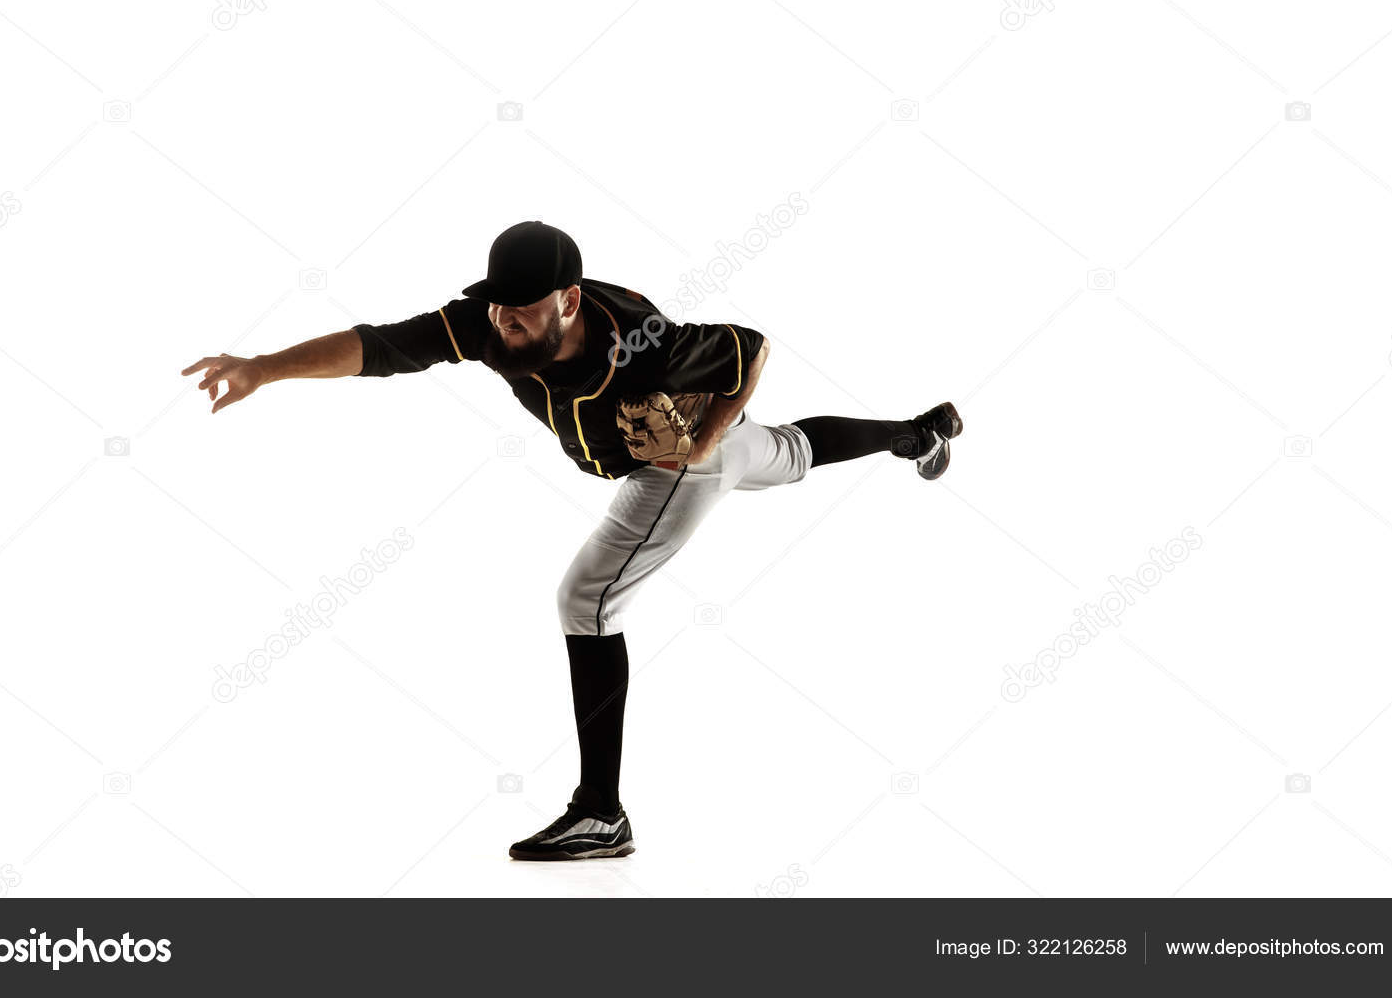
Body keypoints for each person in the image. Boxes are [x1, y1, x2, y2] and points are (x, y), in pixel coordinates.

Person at [182, 220, 961, 861]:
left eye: (524, 308)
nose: (505, 320)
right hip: (684, 448)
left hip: (675, 468)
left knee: (585, 599)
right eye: (498, 306)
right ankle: (918, 434)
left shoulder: (643, 342)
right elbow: (382, 346)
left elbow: (749, 348)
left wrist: (705, 437)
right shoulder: (487, 327)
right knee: (788, 453)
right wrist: (264, 367)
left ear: (570, 299)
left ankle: (601, 812)